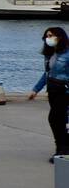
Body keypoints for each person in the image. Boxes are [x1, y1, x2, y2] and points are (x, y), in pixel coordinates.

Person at [28, 26, 69, 162]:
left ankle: (62, 149)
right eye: (46, 36)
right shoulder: (49, 54)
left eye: (51, 36)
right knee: (58, 120)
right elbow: (46, 74)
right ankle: (61, 147)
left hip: (64, 90)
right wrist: (36, 89)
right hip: (52, 90)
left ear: (60, 37)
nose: (48, 39)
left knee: (56, 118)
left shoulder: (67, 54)